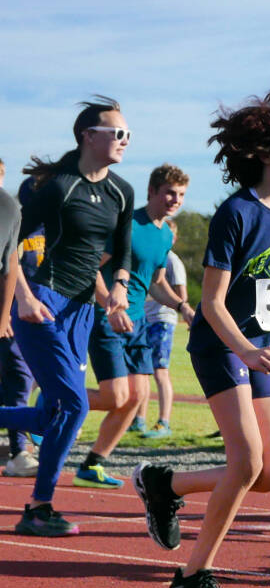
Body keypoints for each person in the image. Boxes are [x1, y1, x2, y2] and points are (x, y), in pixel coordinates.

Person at [132, 91, 270, 588]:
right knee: (245, 461)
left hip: (267, 351)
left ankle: (165, 484)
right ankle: (191, 579)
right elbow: (212, 302)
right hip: (222, 346)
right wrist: (245, 349)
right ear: (265, 152)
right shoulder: (236, 213)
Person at [1, 97, 134, 535]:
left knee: (57, 415)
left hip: (81, 311)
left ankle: (39, 504)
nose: (124, 140)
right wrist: (22, 297)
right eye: (117, 133)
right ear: (87, 136)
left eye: (128, 134)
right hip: (42, 302)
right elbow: (12, 245)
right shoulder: (58, 187)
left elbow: (120, 250)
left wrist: (116, 289)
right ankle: (39, 507)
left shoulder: (121, 191)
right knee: (74, 404)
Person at [76, 164, 193, 484]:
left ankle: (91, 464)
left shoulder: (166, 233)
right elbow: (91, 270)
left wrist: (183, 306)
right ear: (152, 191)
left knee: (138, 395)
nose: (175, 199)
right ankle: (57, 397)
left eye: (181, 194)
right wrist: (110, 307)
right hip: (106, 317)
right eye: (169, 192)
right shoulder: (127, 224)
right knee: (115, 397)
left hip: (138, 322)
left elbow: (156, 283)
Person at [136, 221, 193, 438]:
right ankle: (139, 419)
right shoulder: (152, 256)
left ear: (173, 239)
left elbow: (182, 295)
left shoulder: (172, 261)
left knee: (160, 371)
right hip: (145, 319)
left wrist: (182, 309)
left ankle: (163, 422)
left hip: (162, 320)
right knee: (142, 371)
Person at [0, 157, 38, 478]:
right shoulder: (15, 215)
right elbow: (11, 267)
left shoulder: (11, 210)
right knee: (17, 377)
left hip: (23, 318)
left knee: (22, 377)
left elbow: (11, 265)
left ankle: (20, 447)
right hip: (14, 314)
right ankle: (19, 448)